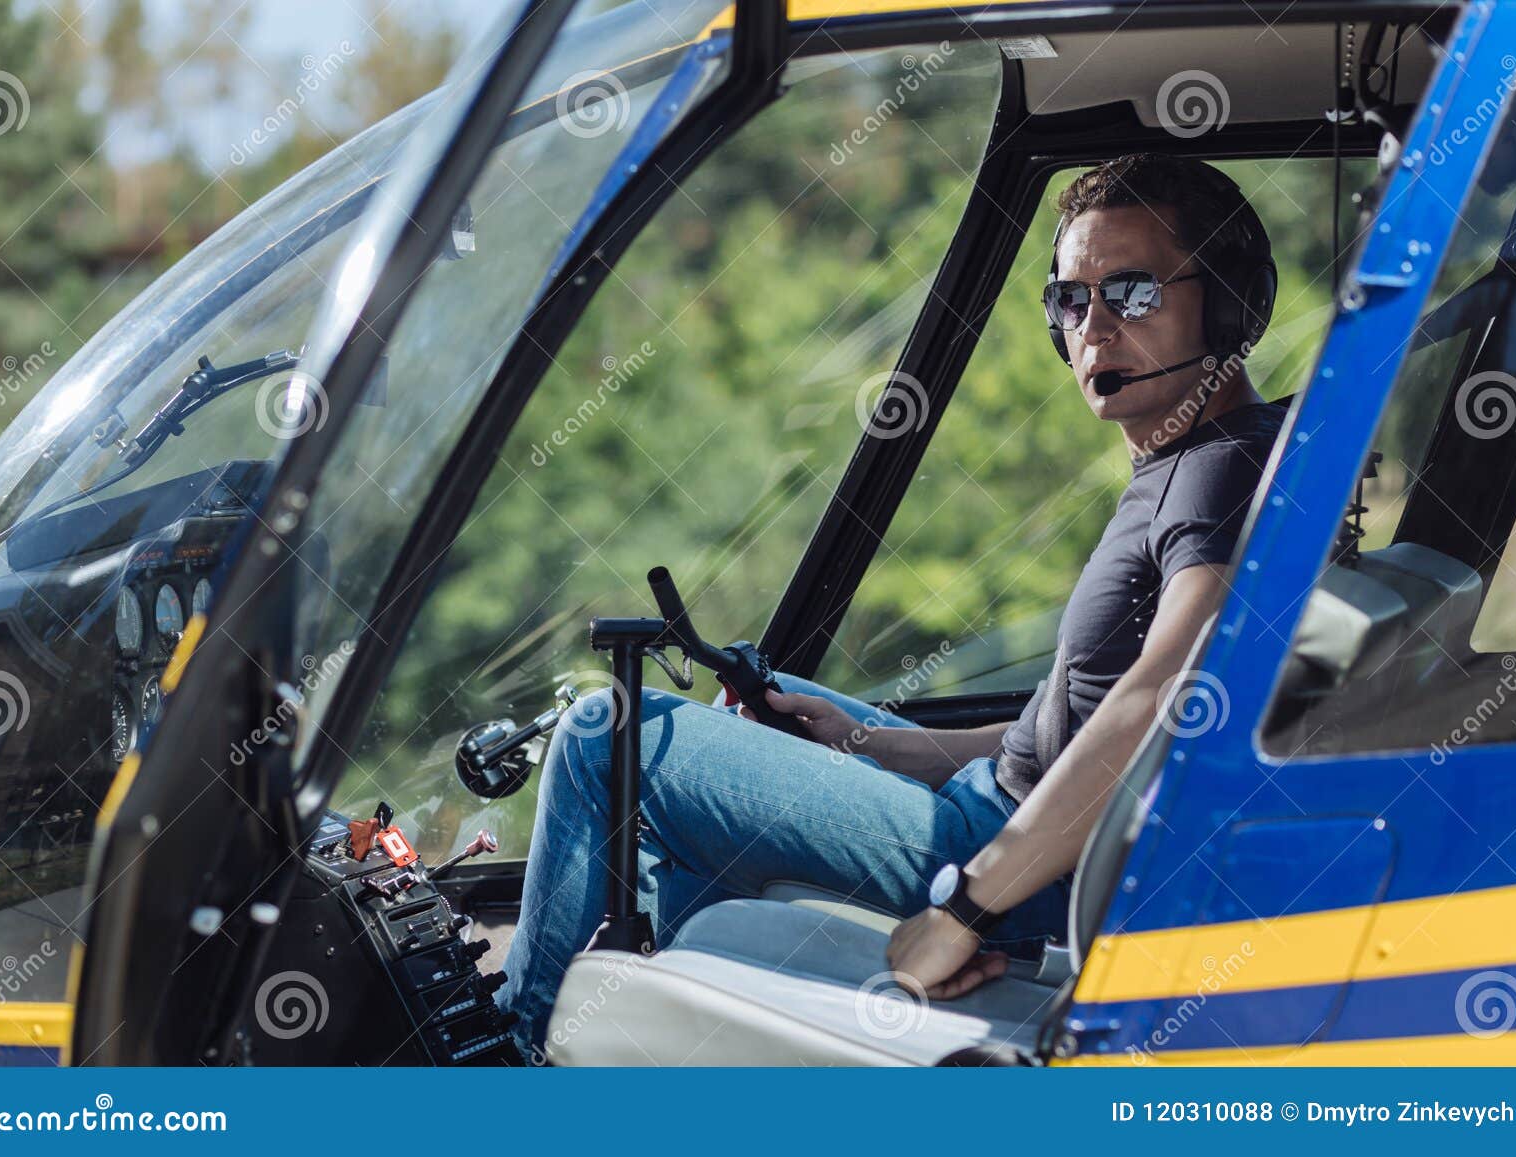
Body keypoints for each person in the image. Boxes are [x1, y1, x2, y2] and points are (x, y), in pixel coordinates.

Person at [495, 152, 1289, 1058]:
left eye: (1132, 292)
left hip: (1006, 854)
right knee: (768, 701)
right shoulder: (1189, 459)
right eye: (1071, 300)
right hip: (1004, 817)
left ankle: (514, 1068)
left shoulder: (1217, 470)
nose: (1093, 329)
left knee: (609, 736)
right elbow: (1065, 727)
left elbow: (1166, 698)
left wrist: (966, 904)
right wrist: (863, 740)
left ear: (1227, 305)